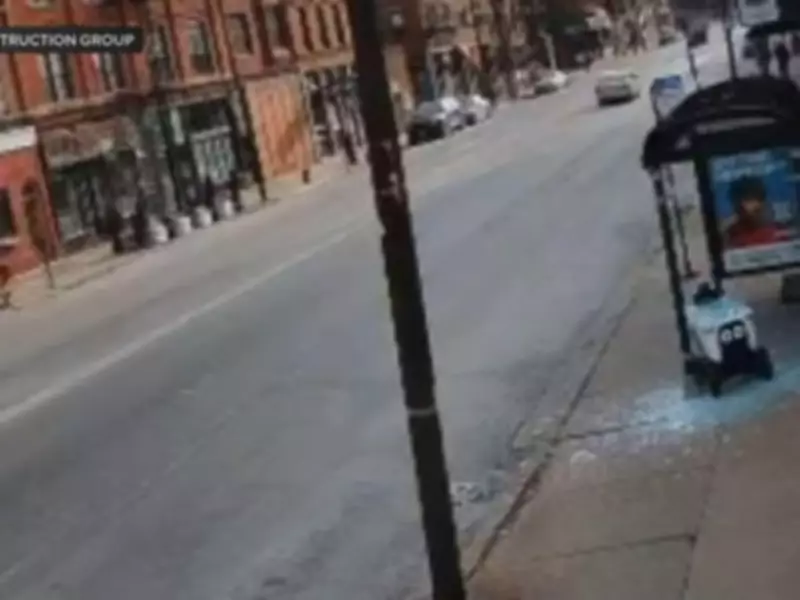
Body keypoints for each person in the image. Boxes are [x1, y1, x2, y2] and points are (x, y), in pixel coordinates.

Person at [723, 176, 791, 249]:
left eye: (748, 200)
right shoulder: (729, 235)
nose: (743, 205)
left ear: (761, 202)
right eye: (738, 200)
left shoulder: (781, 231)